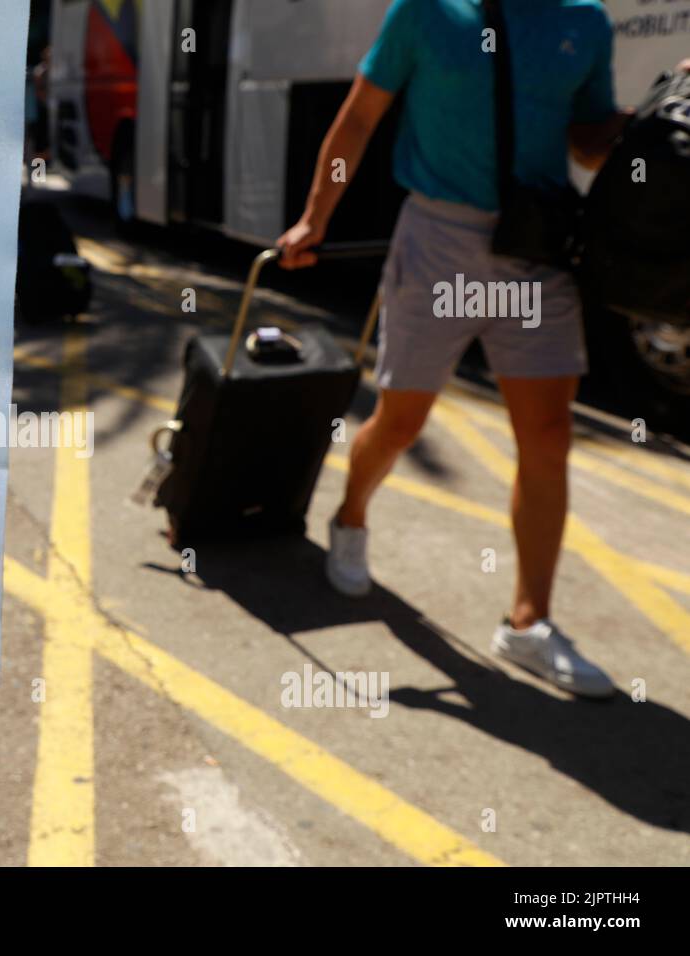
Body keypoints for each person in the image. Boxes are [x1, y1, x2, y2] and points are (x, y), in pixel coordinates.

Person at [277, 0, 636, 699]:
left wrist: (647, 121)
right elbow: (358, 119)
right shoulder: (427, 10)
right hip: (439, 240)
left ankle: (527, 622)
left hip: (536, 244)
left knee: (548, 433)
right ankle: (350, 515)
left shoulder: (583, 20)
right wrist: (314, 218)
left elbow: (588, 143)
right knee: (403, 420)